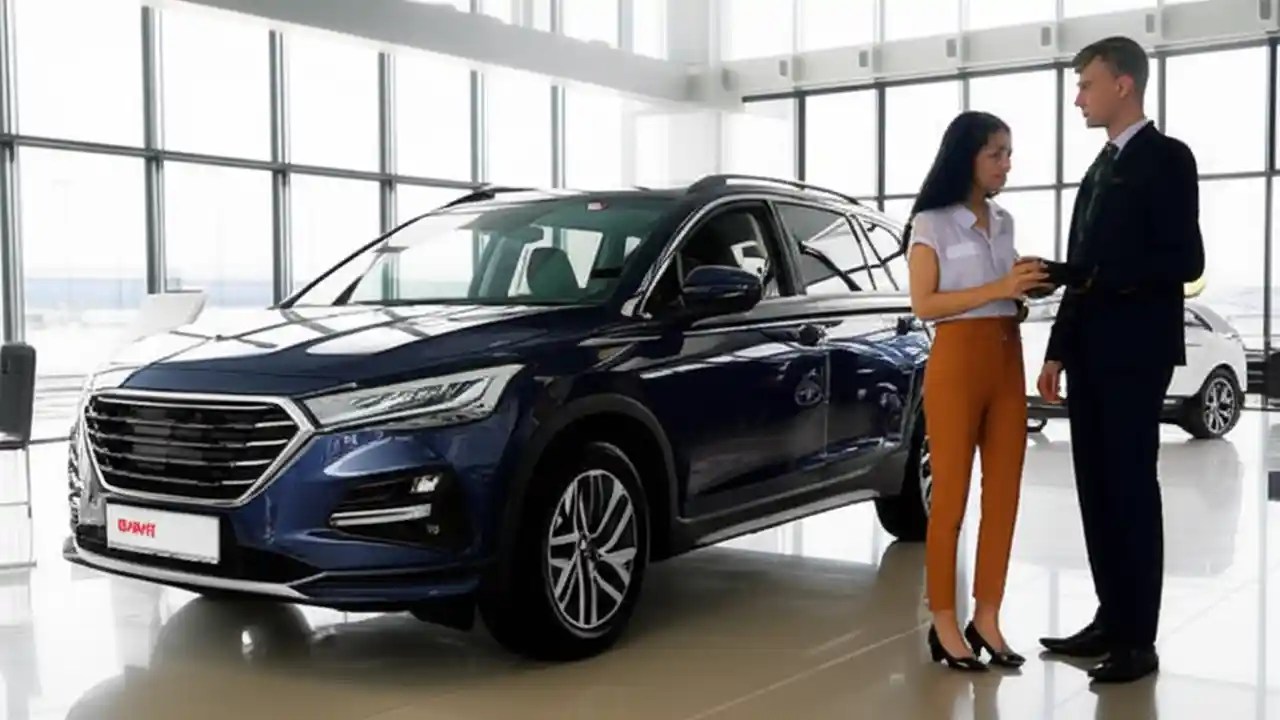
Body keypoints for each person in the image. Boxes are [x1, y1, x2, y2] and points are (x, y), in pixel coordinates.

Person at [1036, 36, 1205, 684]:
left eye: (1087, 83)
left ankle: (1140, 640)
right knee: (1096, 491)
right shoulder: (1096, 171)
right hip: (1089, 353)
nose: (1078, 95)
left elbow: (1184, 261)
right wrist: (1056, 349)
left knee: (1132, 490)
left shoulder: (1168, 159)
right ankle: (1112, 618)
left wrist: (1097, 275)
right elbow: (1080, 273)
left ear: (1124, 85)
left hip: (1137, 352)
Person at [904, 111, 1051, 672]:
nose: (1006, 164)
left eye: (1009, 153)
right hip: (957, 362)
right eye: (997, 153)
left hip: (1006, 356)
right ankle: (943, 619)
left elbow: (1003, 298)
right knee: (950, 498)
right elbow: (925, 304)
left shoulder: (1005, 221)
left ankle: (986, 615)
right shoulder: (932, 224)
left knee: (1006, 492)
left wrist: (1021, 293)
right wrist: (999, 286)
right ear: (967, 156)